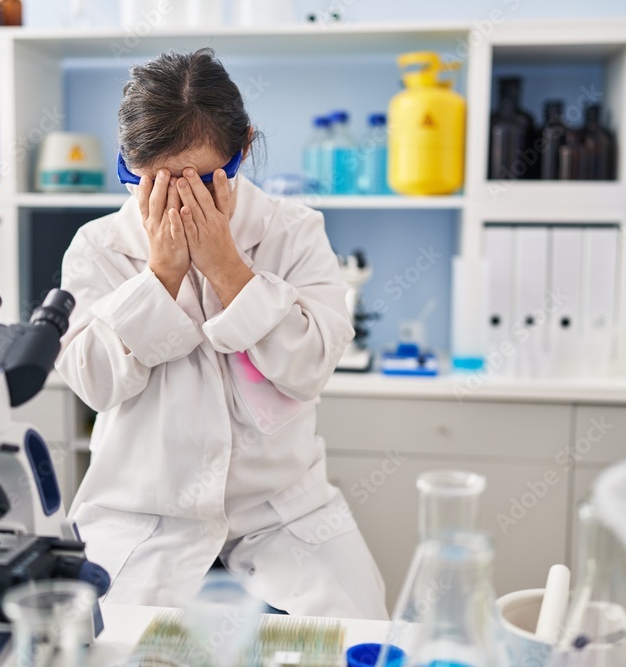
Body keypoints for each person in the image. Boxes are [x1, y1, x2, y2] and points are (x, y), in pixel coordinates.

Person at [55, 48, 387, 619]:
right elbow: (94, 383)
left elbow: (311, 366)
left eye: (204, 181)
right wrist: (161, 276)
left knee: (356, 637)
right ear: (127, 164)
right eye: (155, 184)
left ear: (243, 151)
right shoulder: (99, 247)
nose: (180, 204)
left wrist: (229, 269)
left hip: (284, 519)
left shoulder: (293, 233)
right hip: (143, 521)